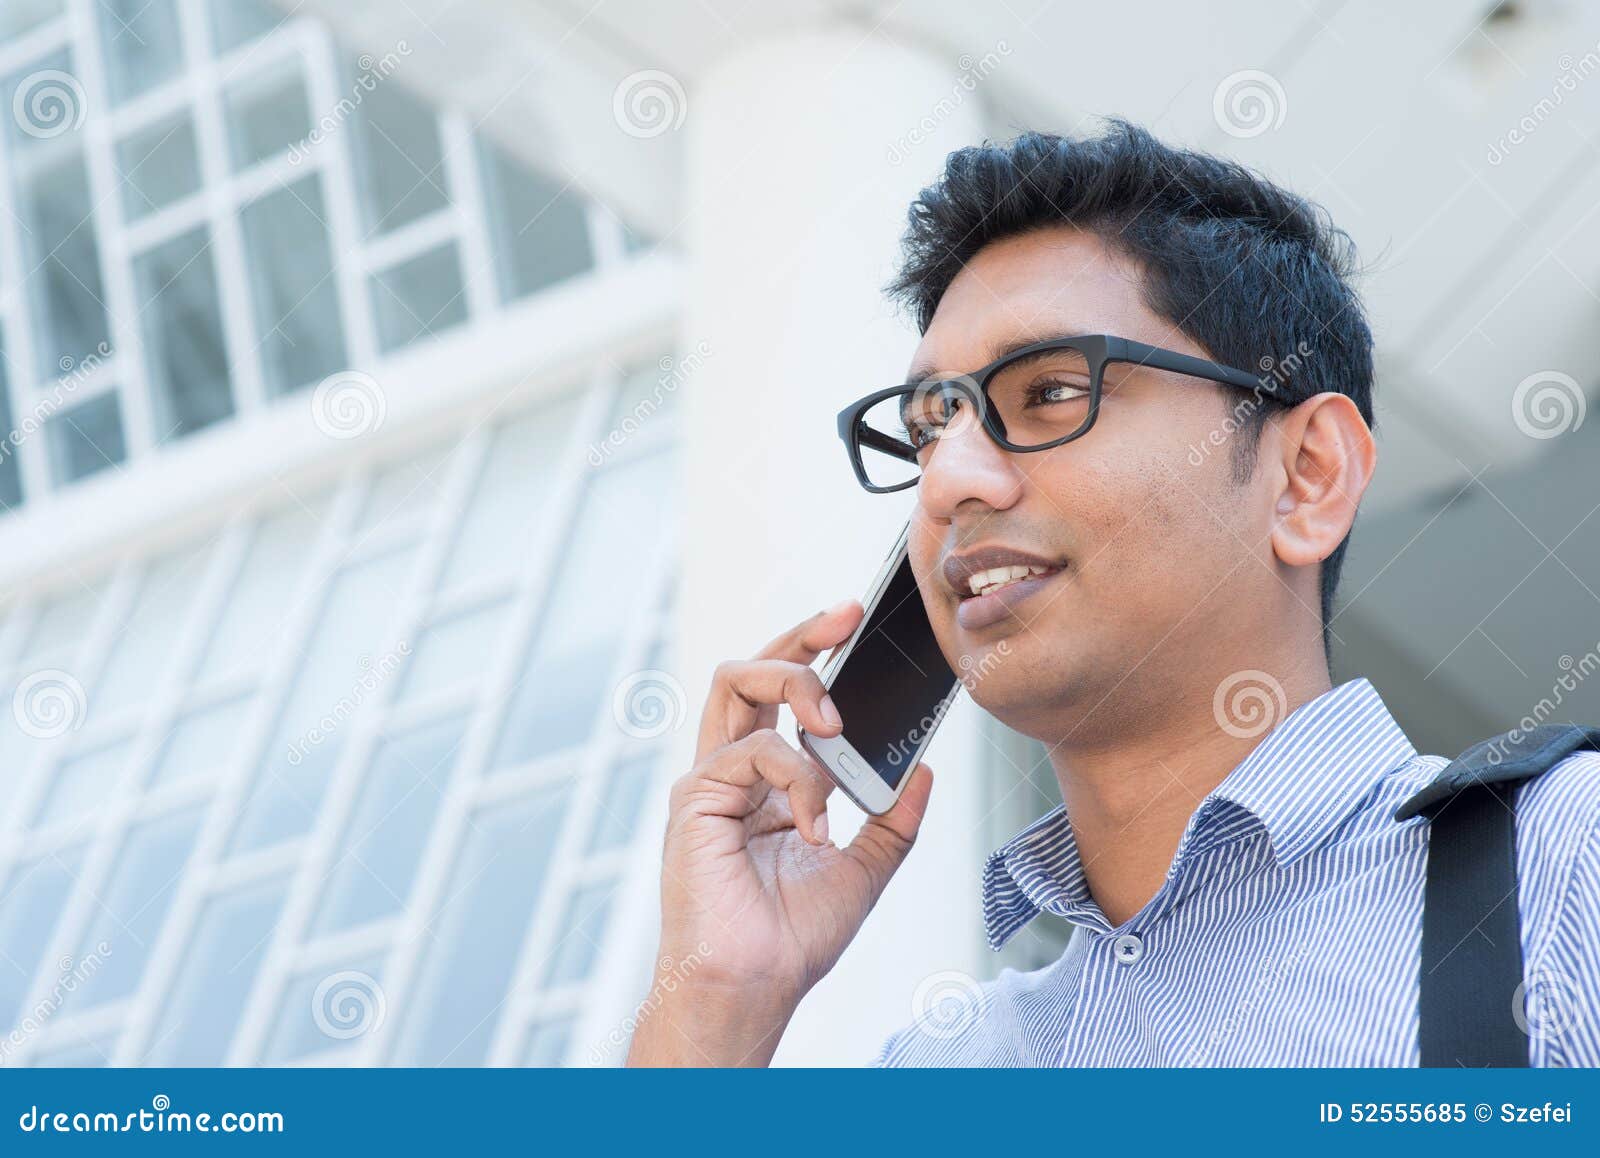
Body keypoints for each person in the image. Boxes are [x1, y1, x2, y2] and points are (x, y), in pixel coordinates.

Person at [625, 122, 1600, 1067]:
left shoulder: (1561, 874)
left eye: (1048, 391)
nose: (946, 481)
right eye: (929, 426)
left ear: (1305, 474)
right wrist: (713, 1004)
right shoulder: (942, 1069)